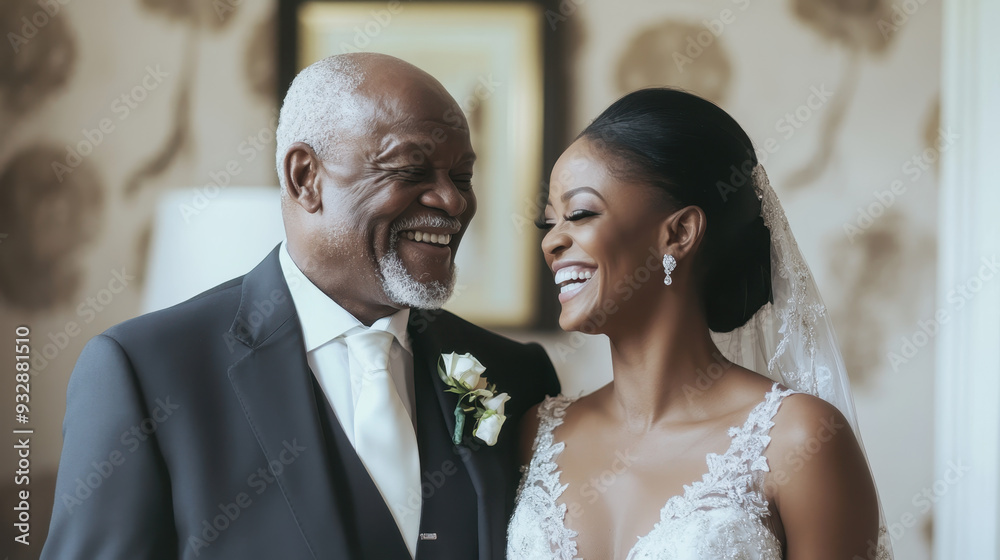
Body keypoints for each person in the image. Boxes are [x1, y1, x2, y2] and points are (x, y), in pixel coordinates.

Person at [42, 53, 559, 560]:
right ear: (304, 177)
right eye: (411, 170)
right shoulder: (145, 373)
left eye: (462, 177)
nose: (452, 202)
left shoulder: (516, 376)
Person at [507, 88, 892, 560]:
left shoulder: (798, 440)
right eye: (550, 223)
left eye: (580, 214)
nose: (552, 244)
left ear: (679, 233)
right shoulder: (537, 433)